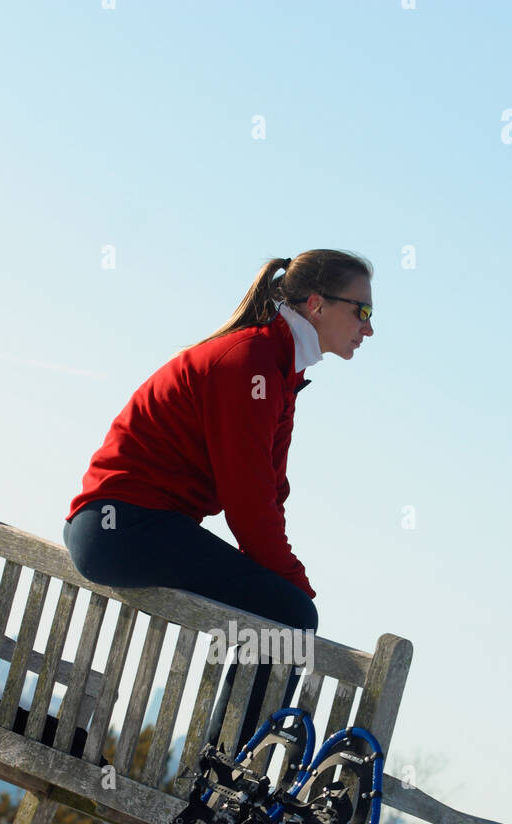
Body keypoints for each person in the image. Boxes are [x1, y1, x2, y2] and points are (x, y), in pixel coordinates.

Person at [64, 248, 374, 747]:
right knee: (291, 618)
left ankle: (220, 773)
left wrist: (289, 585)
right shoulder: (251, 363)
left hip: (128, 527)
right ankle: (221, 778)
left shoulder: (275, 369)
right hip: (121, 528)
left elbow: (269, 494)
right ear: (317, 304)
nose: (369, 327)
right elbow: (249, 507)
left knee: (288, 611)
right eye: (362, 311)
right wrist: (298, 591)